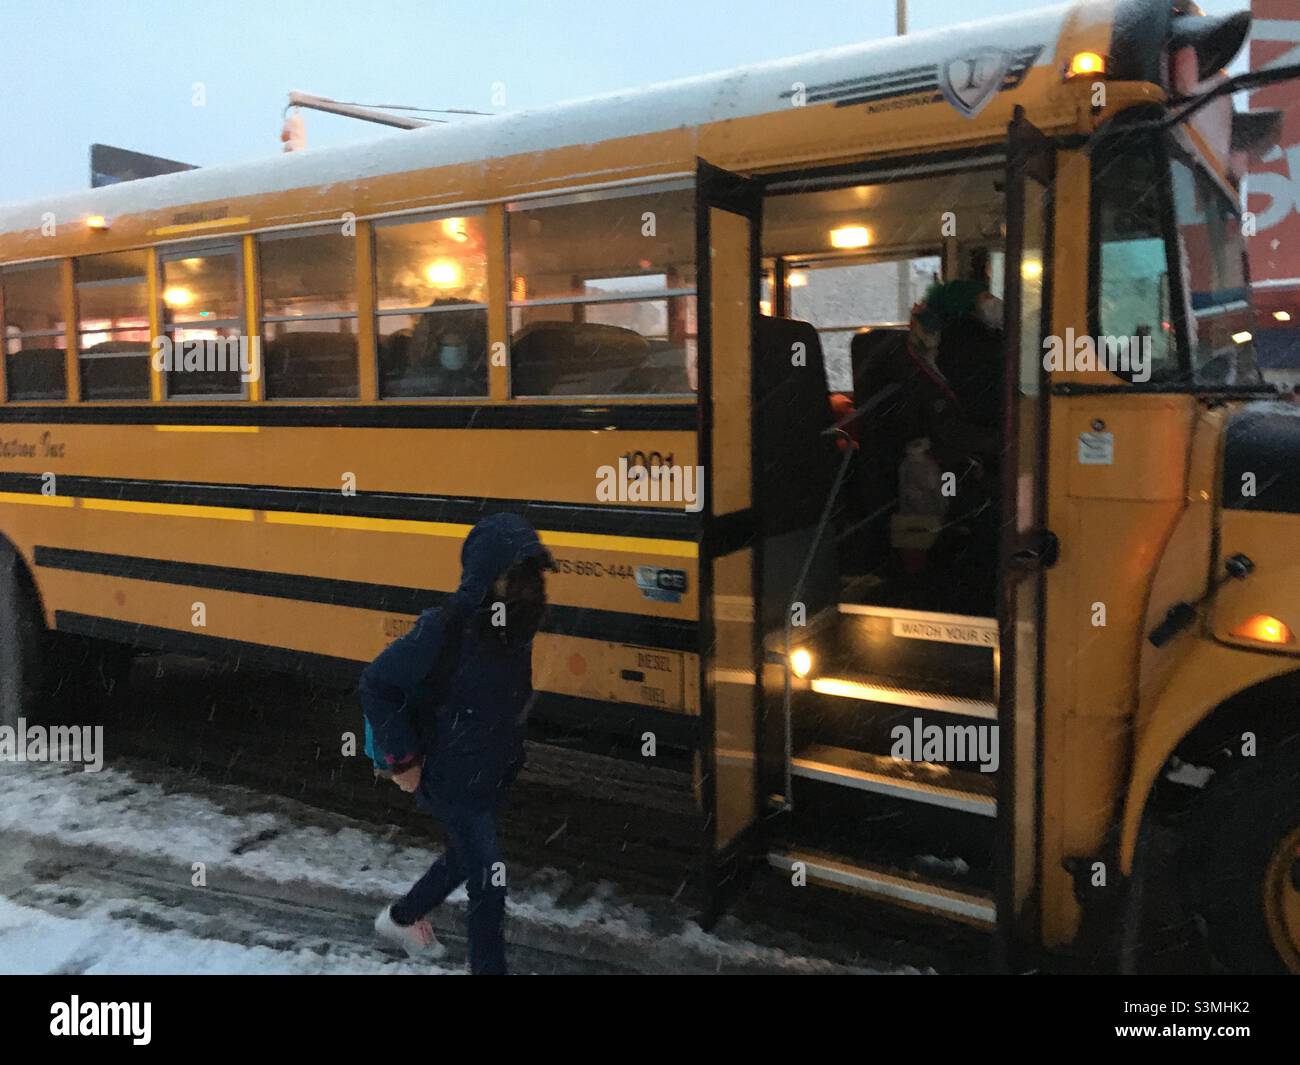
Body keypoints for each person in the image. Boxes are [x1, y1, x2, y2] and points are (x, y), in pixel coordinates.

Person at [361, 513, 554, 975]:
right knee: (490, 881)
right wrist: (402, 759)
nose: (530, 587)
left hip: (488, 768)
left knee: (465, 857)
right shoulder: (444, 628)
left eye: (534, 575)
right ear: (488, 577)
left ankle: (401, 919)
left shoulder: (514, 631)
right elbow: (375, 684)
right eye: (517, 576)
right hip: (445, 770)